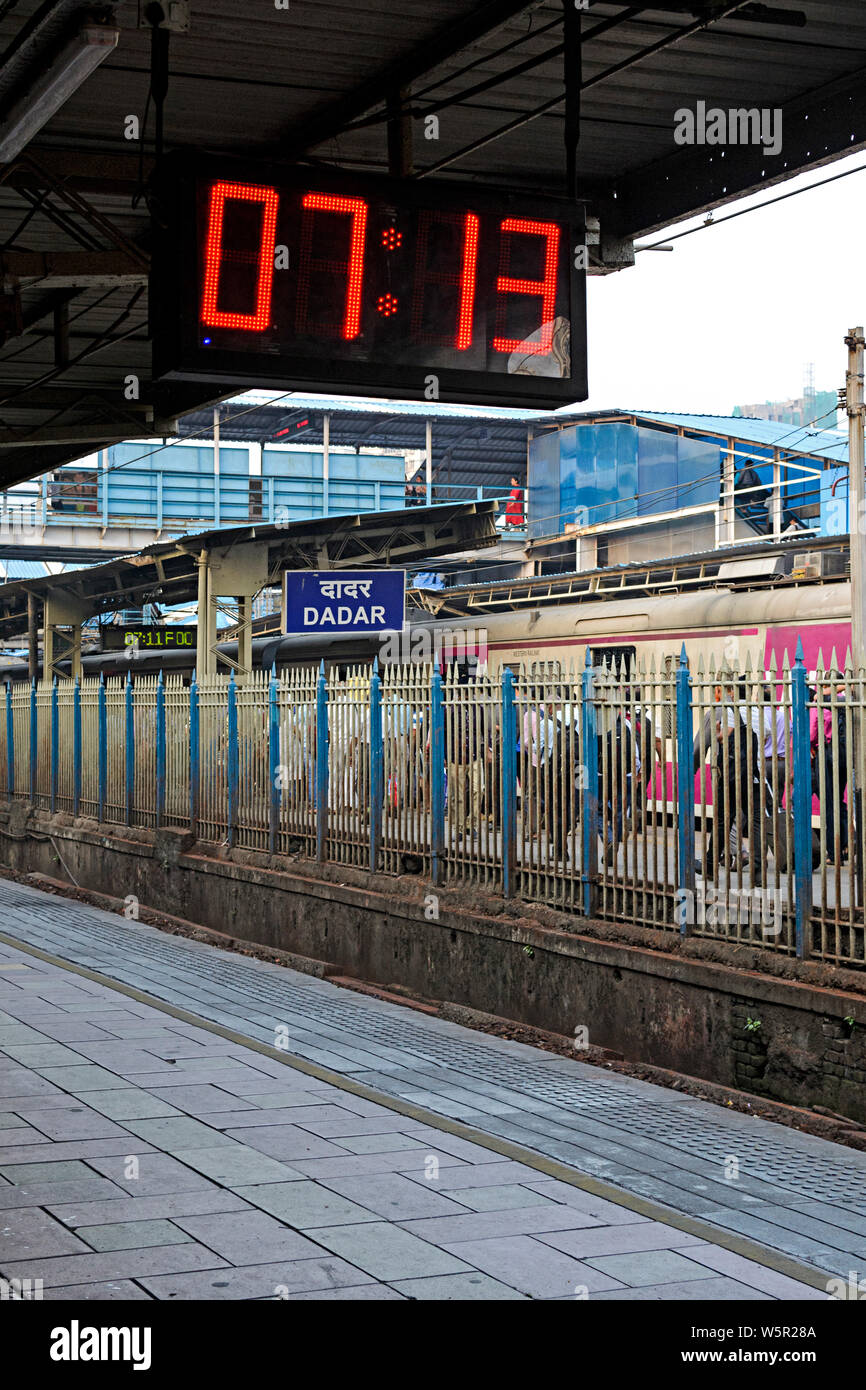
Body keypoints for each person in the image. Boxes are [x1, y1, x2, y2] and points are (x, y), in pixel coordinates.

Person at [693, 677, 763, 884]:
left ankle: (709, 863)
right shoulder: (757, 712)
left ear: (732, 692)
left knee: (724, 819)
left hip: (731, 774)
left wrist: (718, 736)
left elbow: (723, 736)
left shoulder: (728, 711)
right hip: (755, 773)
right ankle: (757, 870)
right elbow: (766, 736)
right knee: (757, 821)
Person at [810, 673, 848, 863]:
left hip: (826, 754)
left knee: (829, 803)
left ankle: (834, 853)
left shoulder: (822, 702)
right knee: (840, 800)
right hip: (844, 754)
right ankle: (847, 844)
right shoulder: (848, 698)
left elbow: (812, 732)